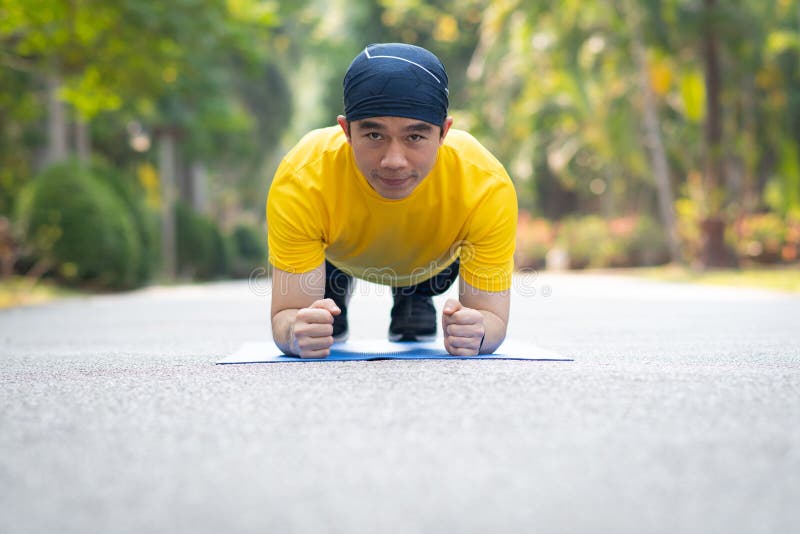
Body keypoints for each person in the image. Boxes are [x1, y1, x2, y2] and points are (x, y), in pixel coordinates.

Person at [267, 43, 517, 358]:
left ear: (443, 133)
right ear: (346, 131)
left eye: (415, 136)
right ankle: (333, 293)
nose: (393, 161)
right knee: (321, 322)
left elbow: (492, 318)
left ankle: (414, 296)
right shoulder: (302, 178)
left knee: (417, 302)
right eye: (374, 136)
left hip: (431, 264)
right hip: (336, 255)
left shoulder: (485, 184)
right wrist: (296, 331)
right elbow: (286, 315)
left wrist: (479, 331)